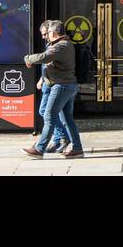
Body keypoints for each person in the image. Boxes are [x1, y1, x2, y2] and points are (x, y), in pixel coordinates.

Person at [22, 20, 84, 159]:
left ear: (54, 32)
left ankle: (40, 148)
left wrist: (28, 58)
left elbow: (44, 57)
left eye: (48, 32)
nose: (46, 36)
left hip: (61, 86)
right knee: (67, 118)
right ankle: (77, 148)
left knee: (49, 115)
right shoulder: (61, 44)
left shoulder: (61, 46)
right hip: (67, 85)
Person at [32, 20, 69, 154]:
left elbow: (49, 62)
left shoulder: (57, 45)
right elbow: (48, 65)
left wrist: (30, 59)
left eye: (44, 34)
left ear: (50, 32)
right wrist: (41, 79)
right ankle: (59, 139)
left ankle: (61, 138)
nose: (43, 37)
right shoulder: (50, 45)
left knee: (48, 113)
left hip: (53, 83)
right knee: (46, 112)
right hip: (47, 82)